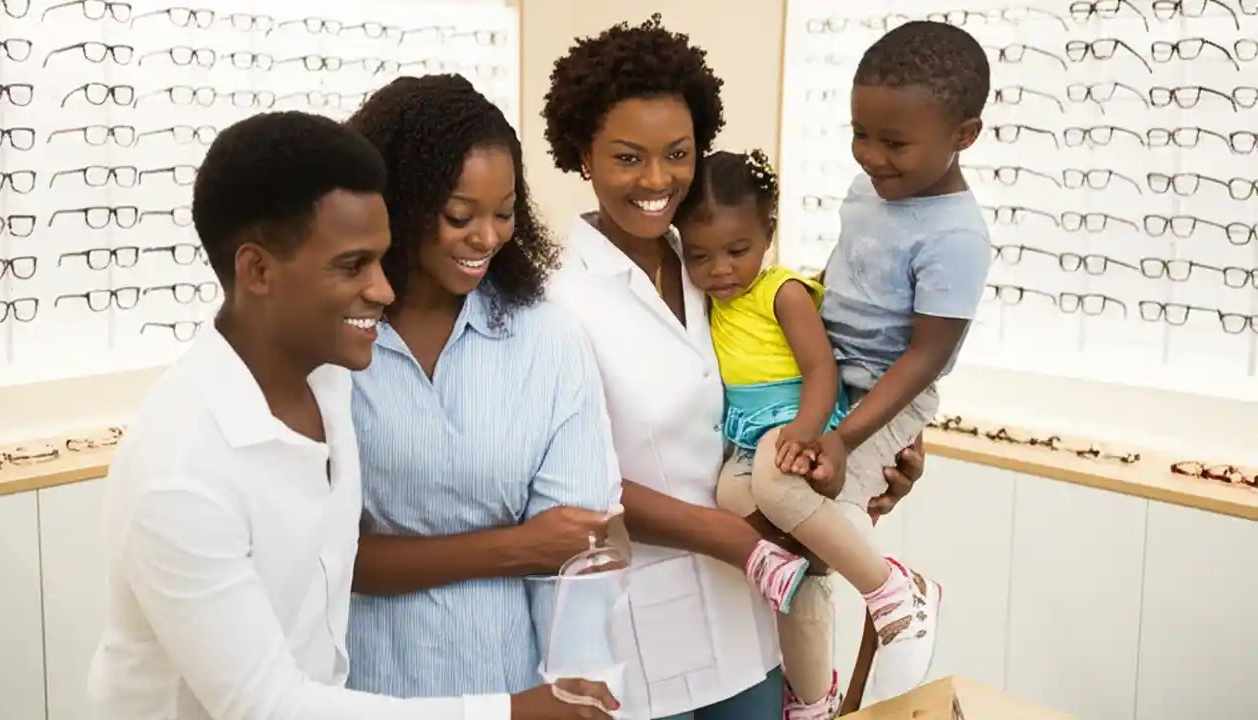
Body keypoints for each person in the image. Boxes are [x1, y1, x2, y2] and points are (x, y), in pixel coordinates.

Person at [86, 110, 618, 720]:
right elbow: (268, 706)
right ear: (257, 271)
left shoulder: (330, 384)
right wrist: (511, 712)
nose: (384, 290)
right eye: (352, 266)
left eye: (381, 260)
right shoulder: (179, 472)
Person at [541, 15, 928, 720]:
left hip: (755, 624)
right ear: (582, 154)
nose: (658, 180)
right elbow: (564, 481)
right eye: (628, 158)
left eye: (677, 153)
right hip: (636, 637)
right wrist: (737, 539)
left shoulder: (722, 268)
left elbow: (806, 383)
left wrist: (868, 463)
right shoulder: (555, 299)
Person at [341, 74, 624, 704]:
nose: (489, 238)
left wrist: (577, 685)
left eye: (505, 214)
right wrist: (516, 546)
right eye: (460, 216)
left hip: (511, 690)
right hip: (362, 687)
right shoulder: (333, 343)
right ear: (400, 203)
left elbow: (576, 554)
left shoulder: (546, 340)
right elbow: (328, 560)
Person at [673, 148, 946, 718]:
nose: (719, 268)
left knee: (774, 487)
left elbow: (821, 370)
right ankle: (814, 693)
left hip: (799, 424)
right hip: (748, 439)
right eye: (700, 256)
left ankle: (890, 588)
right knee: (731, 498)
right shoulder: (711, 301)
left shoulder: (783, 292)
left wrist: (805, 432)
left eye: (737, 251)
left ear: (767, 234)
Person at [808, 19, 993, 702]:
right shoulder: (868, 194)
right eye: (860, 134)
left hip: (890, 392)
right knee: (816, 537)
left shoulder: (957, 237)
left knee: (819, 524)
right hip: (830, 375)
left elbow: (924, 359)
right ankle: (838, 688)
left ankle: (889, 627)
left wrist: (845, 434)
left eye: (894, 143)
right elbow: (838, 280)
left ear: (963, 136)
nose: (871, 157)